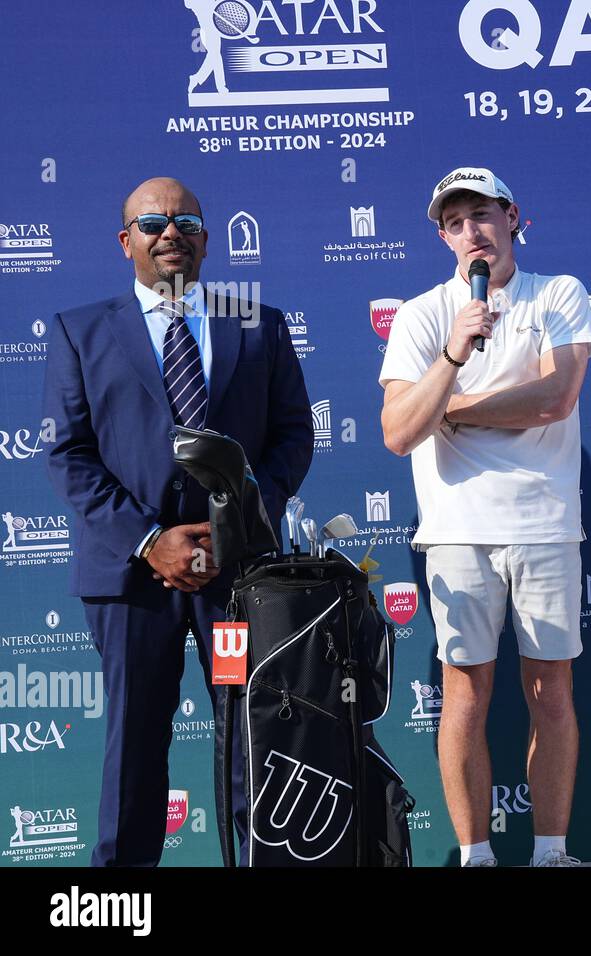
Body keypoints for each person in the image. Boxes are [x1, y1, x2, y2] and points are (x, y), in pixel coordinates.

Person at [43, 177, 313, 866]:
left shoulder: (259, 323)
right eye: (153, 222)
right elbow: (69, 456)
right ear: (125, 240)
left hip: (236, 582)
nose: (170, 233)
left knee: (250, 743)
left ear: (206, 237)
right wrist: (150, 541)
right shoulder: (80, 331)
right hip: (132, 584)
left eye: (185, 221)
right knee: (133, 754)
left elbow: (291, 439)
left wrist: (236, 529)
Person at [379, 167, 591, 868]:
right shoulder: (422, 315)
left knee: (550, 693)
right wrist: (453, 353)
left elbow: (553, 397)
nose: (471, 231)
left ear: (513, 217)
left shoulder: (558, 295)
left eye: (482, 215)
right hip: (456, 533)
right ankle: (476, 856)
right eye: (455, 221)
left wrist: (449, 407)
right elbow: (397, 432)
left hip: (544, 526)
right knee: (464, 696)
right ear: (442, 236)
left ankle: (551, 853)